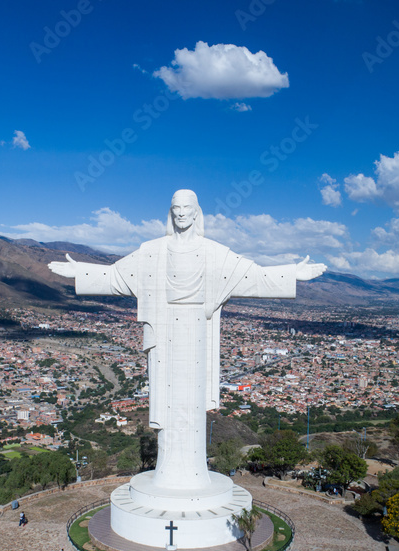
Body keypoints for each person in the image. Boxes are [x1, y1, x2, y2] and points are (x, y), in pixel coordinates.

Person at [49, 189, 325, 492]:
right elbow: (117, 277)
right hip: (164, 332)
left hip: (195, 332)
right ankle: (167, 471)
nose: (181, 213)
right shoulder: (152, 251)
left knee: (190, 403)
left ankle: (194, 471)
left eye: (187, 208)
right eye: (176, 208)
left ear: (197, 213)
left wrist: (293, 273)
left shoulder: (213, 252)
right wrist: (80, 272)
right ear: (170, 212)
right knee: (167, 404)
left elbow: (253, 275)